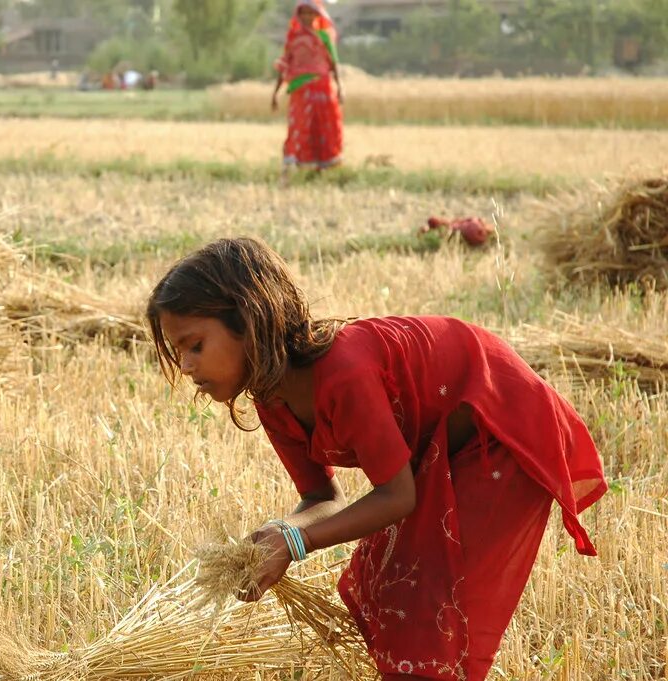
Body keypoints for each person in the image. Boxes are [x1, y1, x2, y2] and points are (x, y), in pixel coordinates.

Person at [146, 237, 607, 681]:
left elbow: (397, 495)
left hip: (498, 434)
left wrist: (296, 544)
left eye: (194, 345)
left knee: (433, 606)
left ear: (249, 321)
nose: (185, 366)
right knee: (384, 591)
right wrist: (279, 535)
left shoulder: (343, 373)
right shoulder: (273, 398)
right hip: (435, 453)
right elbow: (320, 496)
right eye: (178, 351)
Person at [272, 0, 344, 182]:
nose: (307, 17)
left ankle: (322, 171)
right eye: (303, 13)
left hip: (323, 88)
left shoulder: (325, 37)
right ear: (298, 16)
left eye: (310, 13)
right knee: (300, 126)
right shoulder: (293, 38)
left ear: (318, 15)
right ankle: (292, 169)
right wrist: (275, 93)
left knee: (325, 127)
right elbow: (285, 65)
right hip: (300, 89)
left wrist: (340, 88)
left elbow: (333, 64)